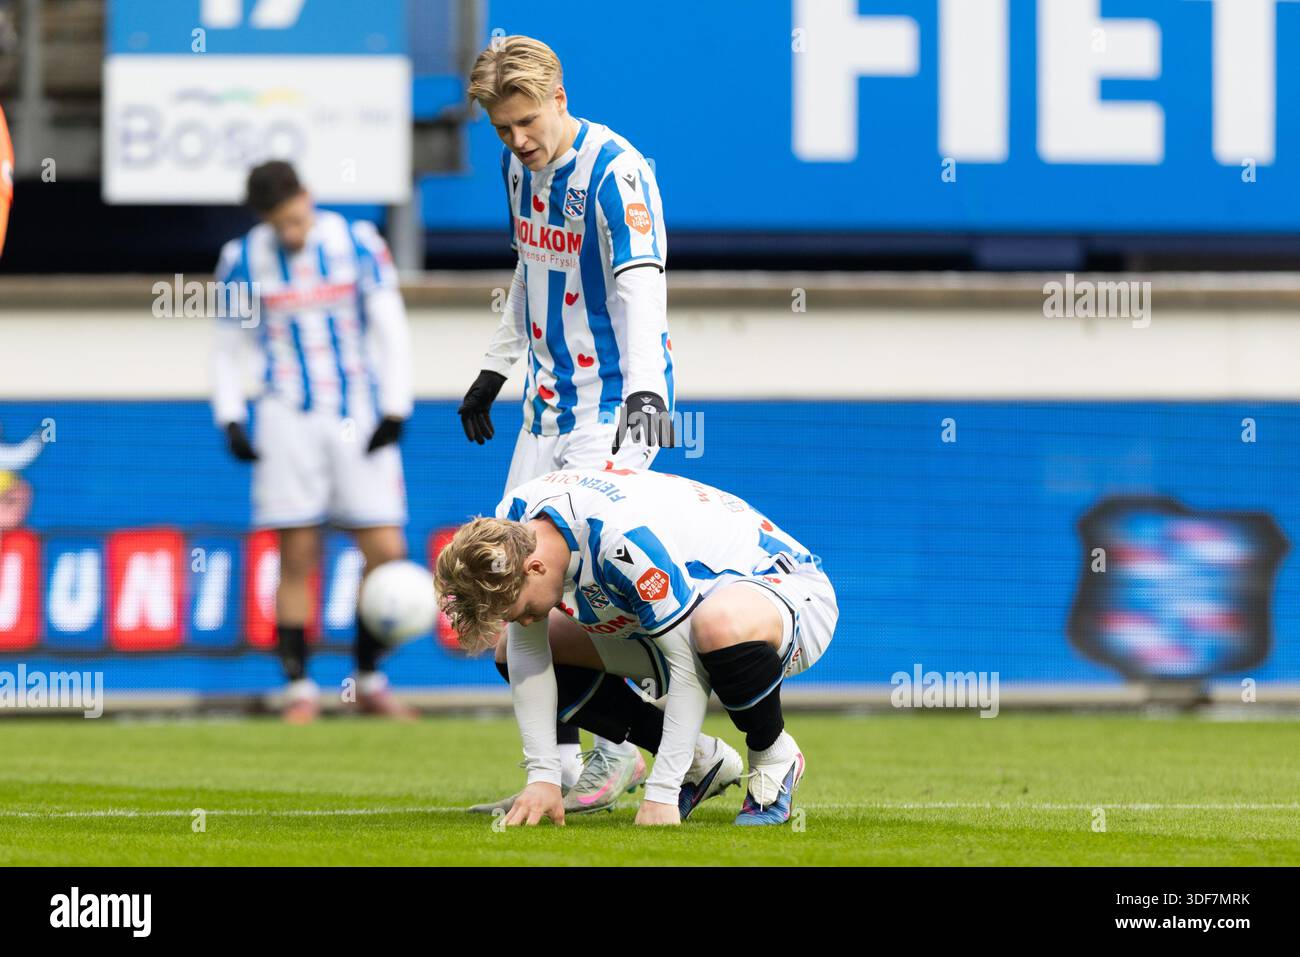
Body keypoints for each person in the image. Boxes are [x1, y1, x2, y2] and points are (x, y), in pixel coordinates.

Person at [457, 35, 677, 807]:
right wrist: (497, 365)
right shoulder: (516, 166)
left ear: (560, 97)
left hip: (614, 410)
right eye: (502, 128)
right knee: (512, 588)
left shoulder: (619, 172)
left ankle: (626, 749)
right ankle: (546, 774)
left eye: (527, 121)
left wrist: (647, 395)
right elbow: (531, 263)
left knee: (581, 588)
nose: (518, 139)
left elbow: (641, 286)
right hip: (546, 407)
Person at [435, 468, 839, 826]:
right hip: (685, 612)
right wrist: (542, 777)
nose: (526, 620)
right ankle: (700, 762)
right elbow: (527, 651)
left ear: (536, 568)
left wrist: (662, 791)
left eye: (523, 610)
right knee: (510, 648)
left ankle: (773, 755)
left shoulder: (622, 541)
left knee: (715, 626)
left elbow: (687, 667)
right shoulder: (515, 524)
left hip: (787, 592)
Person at [211, 161, 415, 723]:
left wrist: (396, 406)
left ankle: (368, 679)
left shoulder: (358, 242)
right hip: (287, 417)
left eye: (296, 219)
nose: (292, 233)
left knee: (386, 553)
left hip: (358, 413)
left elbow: (390, 325)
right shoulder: (242, 258)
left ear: (308, 196)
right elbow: (226, 345)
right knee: (297, 553)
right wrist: (230, 417)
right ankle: (299, 688)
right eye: (280, 224)